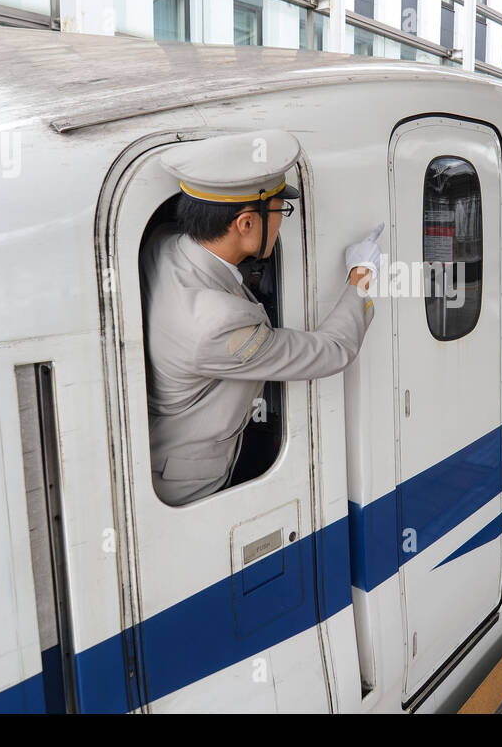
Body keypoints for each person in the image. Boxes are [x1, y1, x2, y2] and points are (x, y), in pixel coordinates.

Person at [140, 130, 384, 506]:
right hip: (193, 481)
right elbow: (333, 351)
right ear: (246, 224)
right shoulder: (219, 324)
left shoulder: (165, 246)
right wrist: (361, 279)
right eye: (278, 211)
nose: (282, 221)